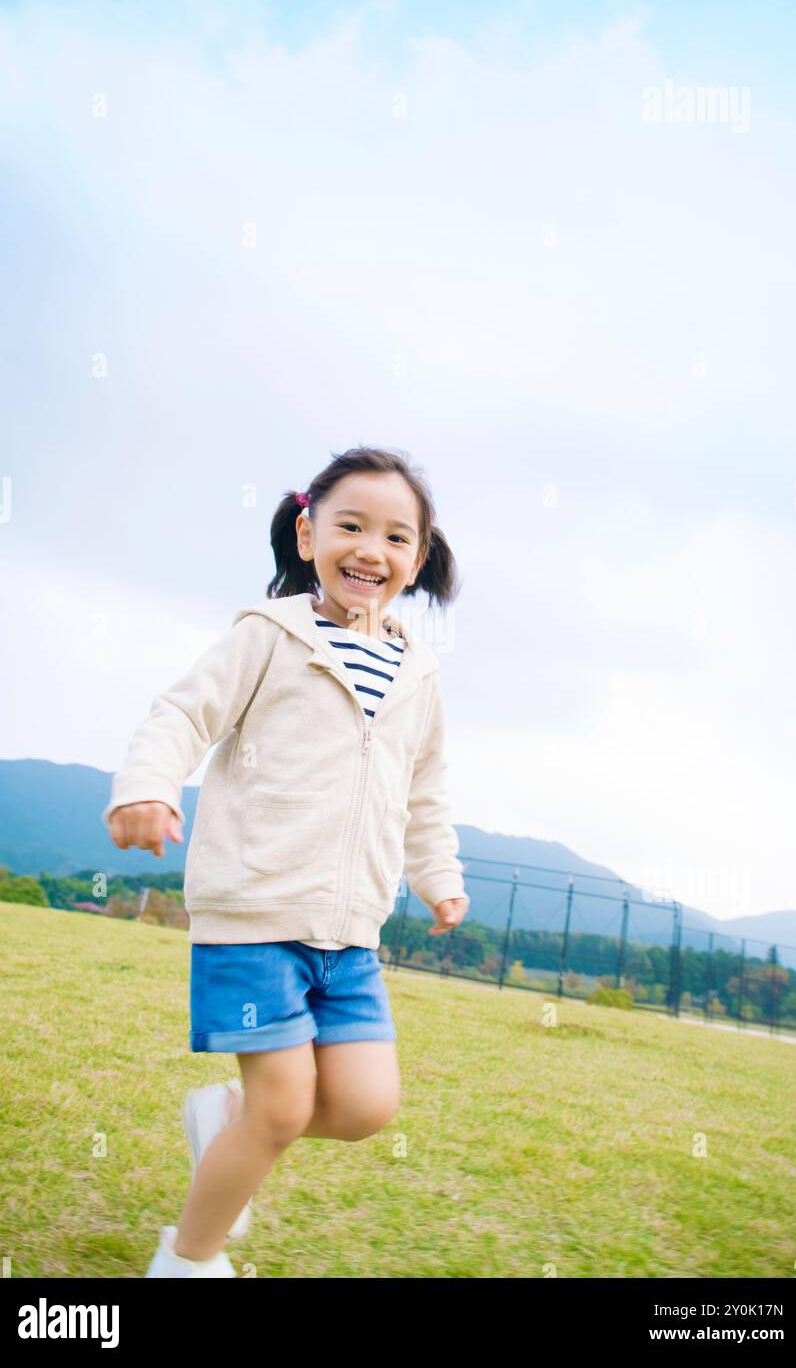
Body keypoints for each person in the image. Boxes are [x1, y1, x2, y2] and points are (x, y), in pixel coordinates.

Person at [103, 445, 470, 1277]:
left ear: (418, 557)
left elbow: (428, 792)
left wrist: (438, 876)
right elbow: (181, 715)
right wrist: (146, 787)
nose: (370, 549)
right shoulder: (270, 636)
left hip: (349, 935)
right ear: (307, 535)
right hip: (254, 917)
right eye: (350, 526)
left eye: (395, 537)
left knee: (365, 1105)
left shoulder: (420, 673)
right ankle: (189, 1261)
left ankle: (227, 1119)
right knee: (284, 1105)